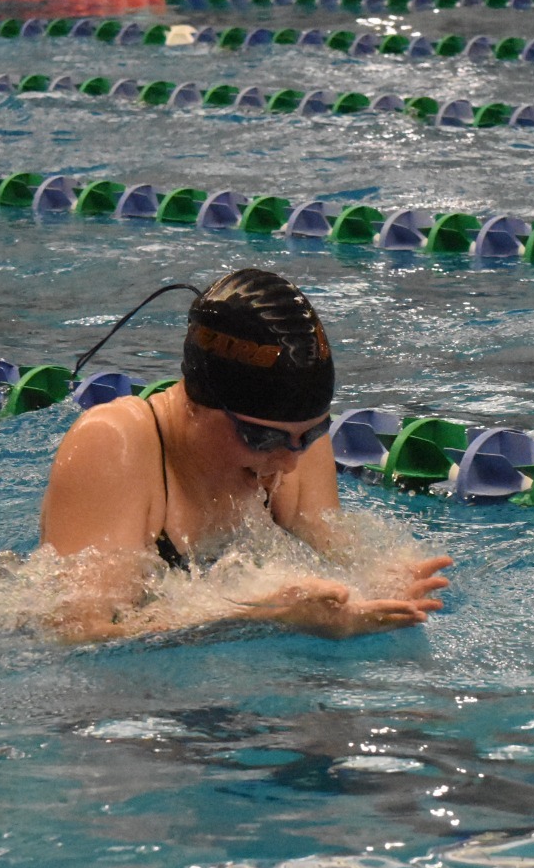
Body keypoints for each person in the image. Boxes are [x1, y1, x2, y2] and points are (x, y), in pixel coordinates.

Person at [39, 269, 452, 642]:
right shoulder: (116, 444)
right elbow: (79, 631)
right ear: (195, 403)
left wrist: (381, 583)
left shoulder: (294, 443)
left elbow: (338, 553)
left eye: (313, 433)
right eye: (260, 438)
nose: (289, 462)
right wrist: (261, 615)